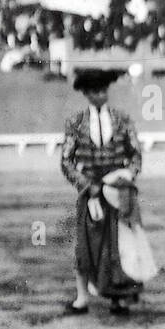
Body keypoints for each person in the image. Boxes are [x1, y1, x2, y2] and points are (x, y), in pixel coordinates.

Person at [60, 69, 144, 316]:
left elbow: (136, 156)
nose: (100, 95)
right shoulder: (75, 123)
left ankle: (119, 299)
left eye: (103, 91)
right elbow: (66, 161)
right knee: (85, 245)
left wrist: (126, 177)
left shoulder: (123, 119)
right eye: (95, 92)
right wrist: (87, 184)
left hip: (119, 191)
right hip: (91, 192)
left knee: (121, 245)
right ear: (86, 94)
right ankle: (82, 297)